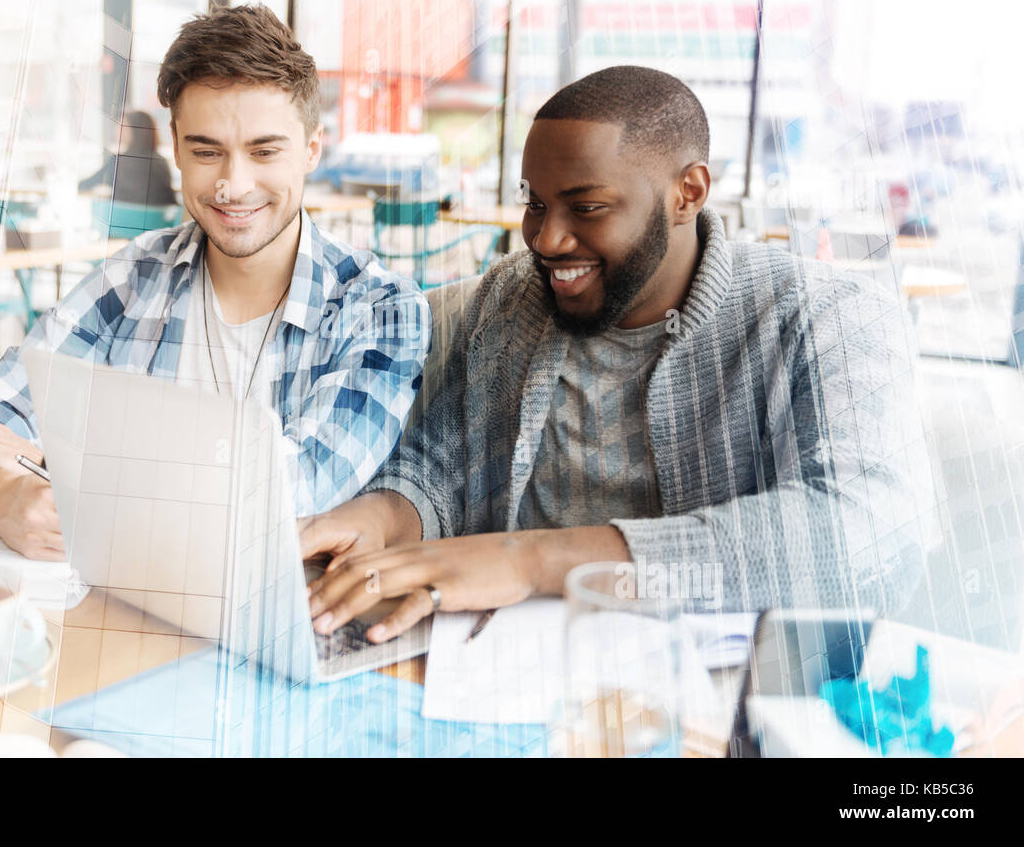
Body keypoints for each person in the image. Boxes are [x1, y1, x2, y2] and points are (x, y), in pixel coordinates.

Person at [302, 65, 936, 643]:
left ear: (687, 192)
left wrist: (536, 560)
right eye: (536, 204)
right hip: (506, 669)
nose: (546, 239)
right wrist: (384, 514)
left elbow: (869, 537)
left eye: (587, 207)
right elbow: (446, 467)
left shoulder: (827, 315)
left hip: (718, 700)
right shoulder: (512, 298)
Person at [0, 4, 430, 560]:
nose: (233, 185)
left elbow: (296, 488)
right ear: (177, 147)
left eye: (264, 151)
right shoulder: (135, 275)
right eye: (207, 152)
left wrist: (47, 462)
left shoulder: (381, 308)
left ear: (311, 149)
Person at [77, 110, 178, 209]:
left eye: (122, 126)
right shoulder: (161, 163)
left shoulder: (117, 162)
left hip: (123, 222)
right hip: (158, 224)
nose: (116, 130)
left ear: (136, 131)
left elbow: (84, 185)